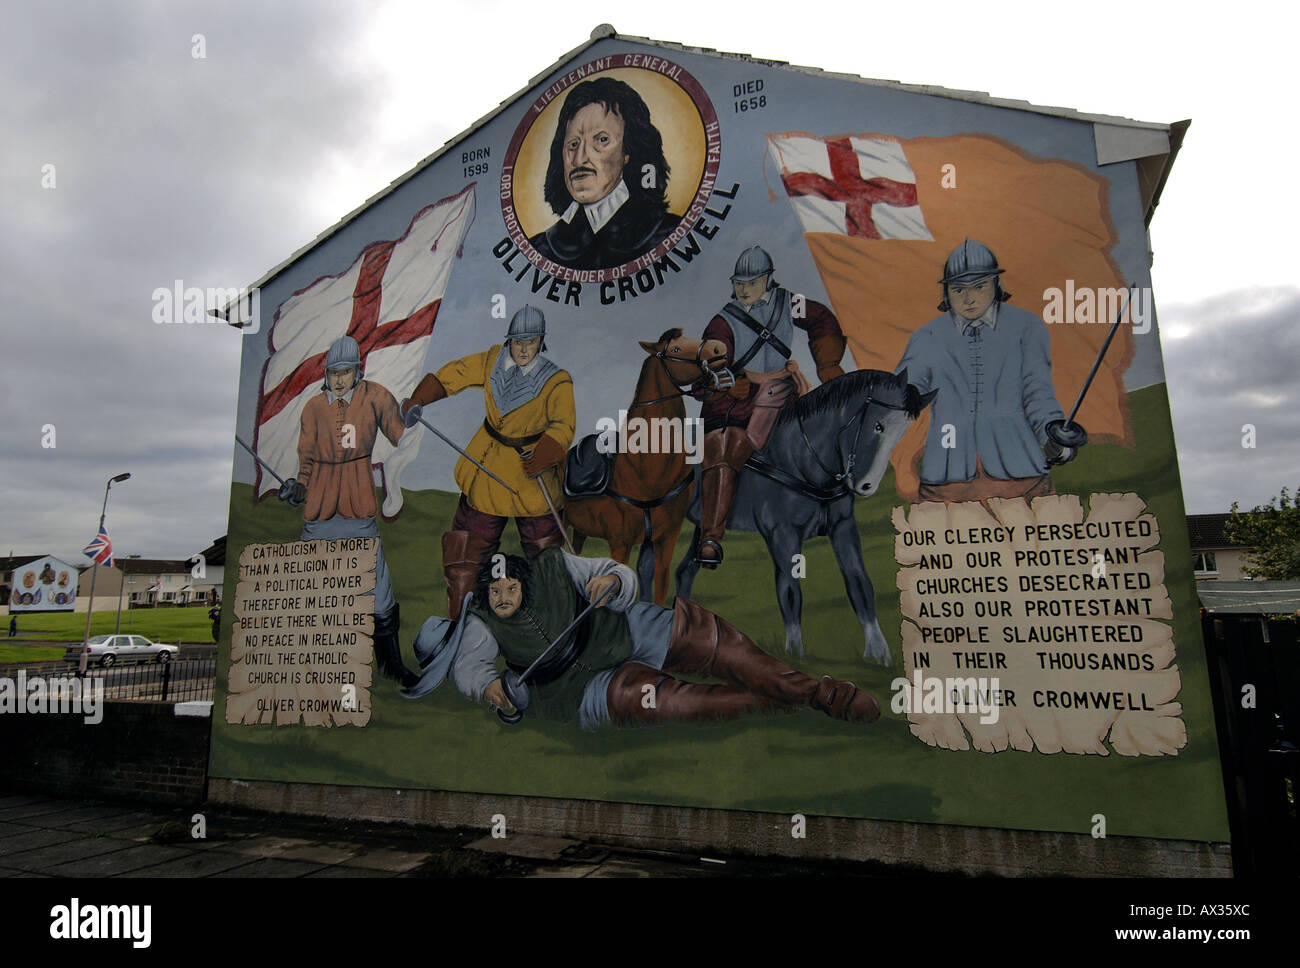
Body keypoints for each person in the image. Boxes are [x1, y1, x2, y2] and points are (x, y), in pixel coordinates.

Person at [401, 548, 881, 730]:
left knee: (709, 641)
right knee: (665, 702)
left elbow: (613, 572)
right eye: (495, 591)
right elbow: (473, 669)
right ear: (483, 596)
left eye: (510, 586)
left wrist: (611, 584)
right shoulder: (482, 627)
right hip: (579, 689)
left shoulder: (554, 564)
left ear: (523, 578)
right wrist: (489, 689)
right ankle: (781, 702)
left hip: (617, 629)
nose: (504, 596)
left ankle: (815, 691)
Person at [402, 305, 575, 620]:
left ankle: (553, 629)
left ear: (541, 342)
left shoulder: (557, 381)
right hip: (488, 470)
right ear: (509, 340)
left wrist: (543, 455)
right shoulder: (493, 360)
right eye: (518, 341)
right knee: (466, 557)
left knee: (547, 560)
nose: (523, 349)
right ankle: (459, 624)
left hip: (531, 476)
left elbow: (563, 426)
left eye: (531, 341)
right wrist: (419, 399)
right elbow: (455, 374)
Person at [277, 335, 419, 687]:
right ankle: (313, 672)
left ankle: (391, 665)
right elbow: (306, 457)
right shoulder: (312, 408)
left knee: (378, 591)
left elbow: (400, 434)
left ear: (359, 370)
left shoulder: (375, 397)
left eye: (347, 371)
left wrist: (412, 417)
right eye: (334, 372)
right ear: (326, 374)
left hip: (358, 508)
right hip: (320, 510)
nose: (340, 379)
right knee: (314, 590)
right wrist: (299, 487)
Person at [895, 239, 1083, 504]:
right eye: (958, 289)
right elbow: (903, 393)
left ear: (996, 285)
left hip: (1019, 469)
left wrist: (1053, 433)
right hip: (948, 472)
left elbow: (1037, 391)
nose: (969, 299)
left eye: (979, 286)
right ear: (946, 292)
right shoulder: (927, 337)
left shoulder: (1026, 327)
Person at [695, 245, 848, 567]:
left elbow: (823, 320)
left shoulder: (790, 302)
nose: (744, 289)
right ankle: (711, 536)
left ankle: (827, 512)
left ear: (768, 280)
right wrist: (726, 379)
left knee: (817, 441)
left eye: (751, 282)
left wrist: (829, 365)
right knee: (724, 450)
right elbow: (712, 358)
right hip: (737, 402)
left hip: (783, 394)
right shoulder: (723, 320)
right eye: (739, 283)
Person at [527, 77, 680, 271]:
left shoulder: (668, 233)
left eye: (601, 140)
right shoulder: (542, 248)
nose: (579, 159)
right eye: (573, 144)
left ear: (628, 151)